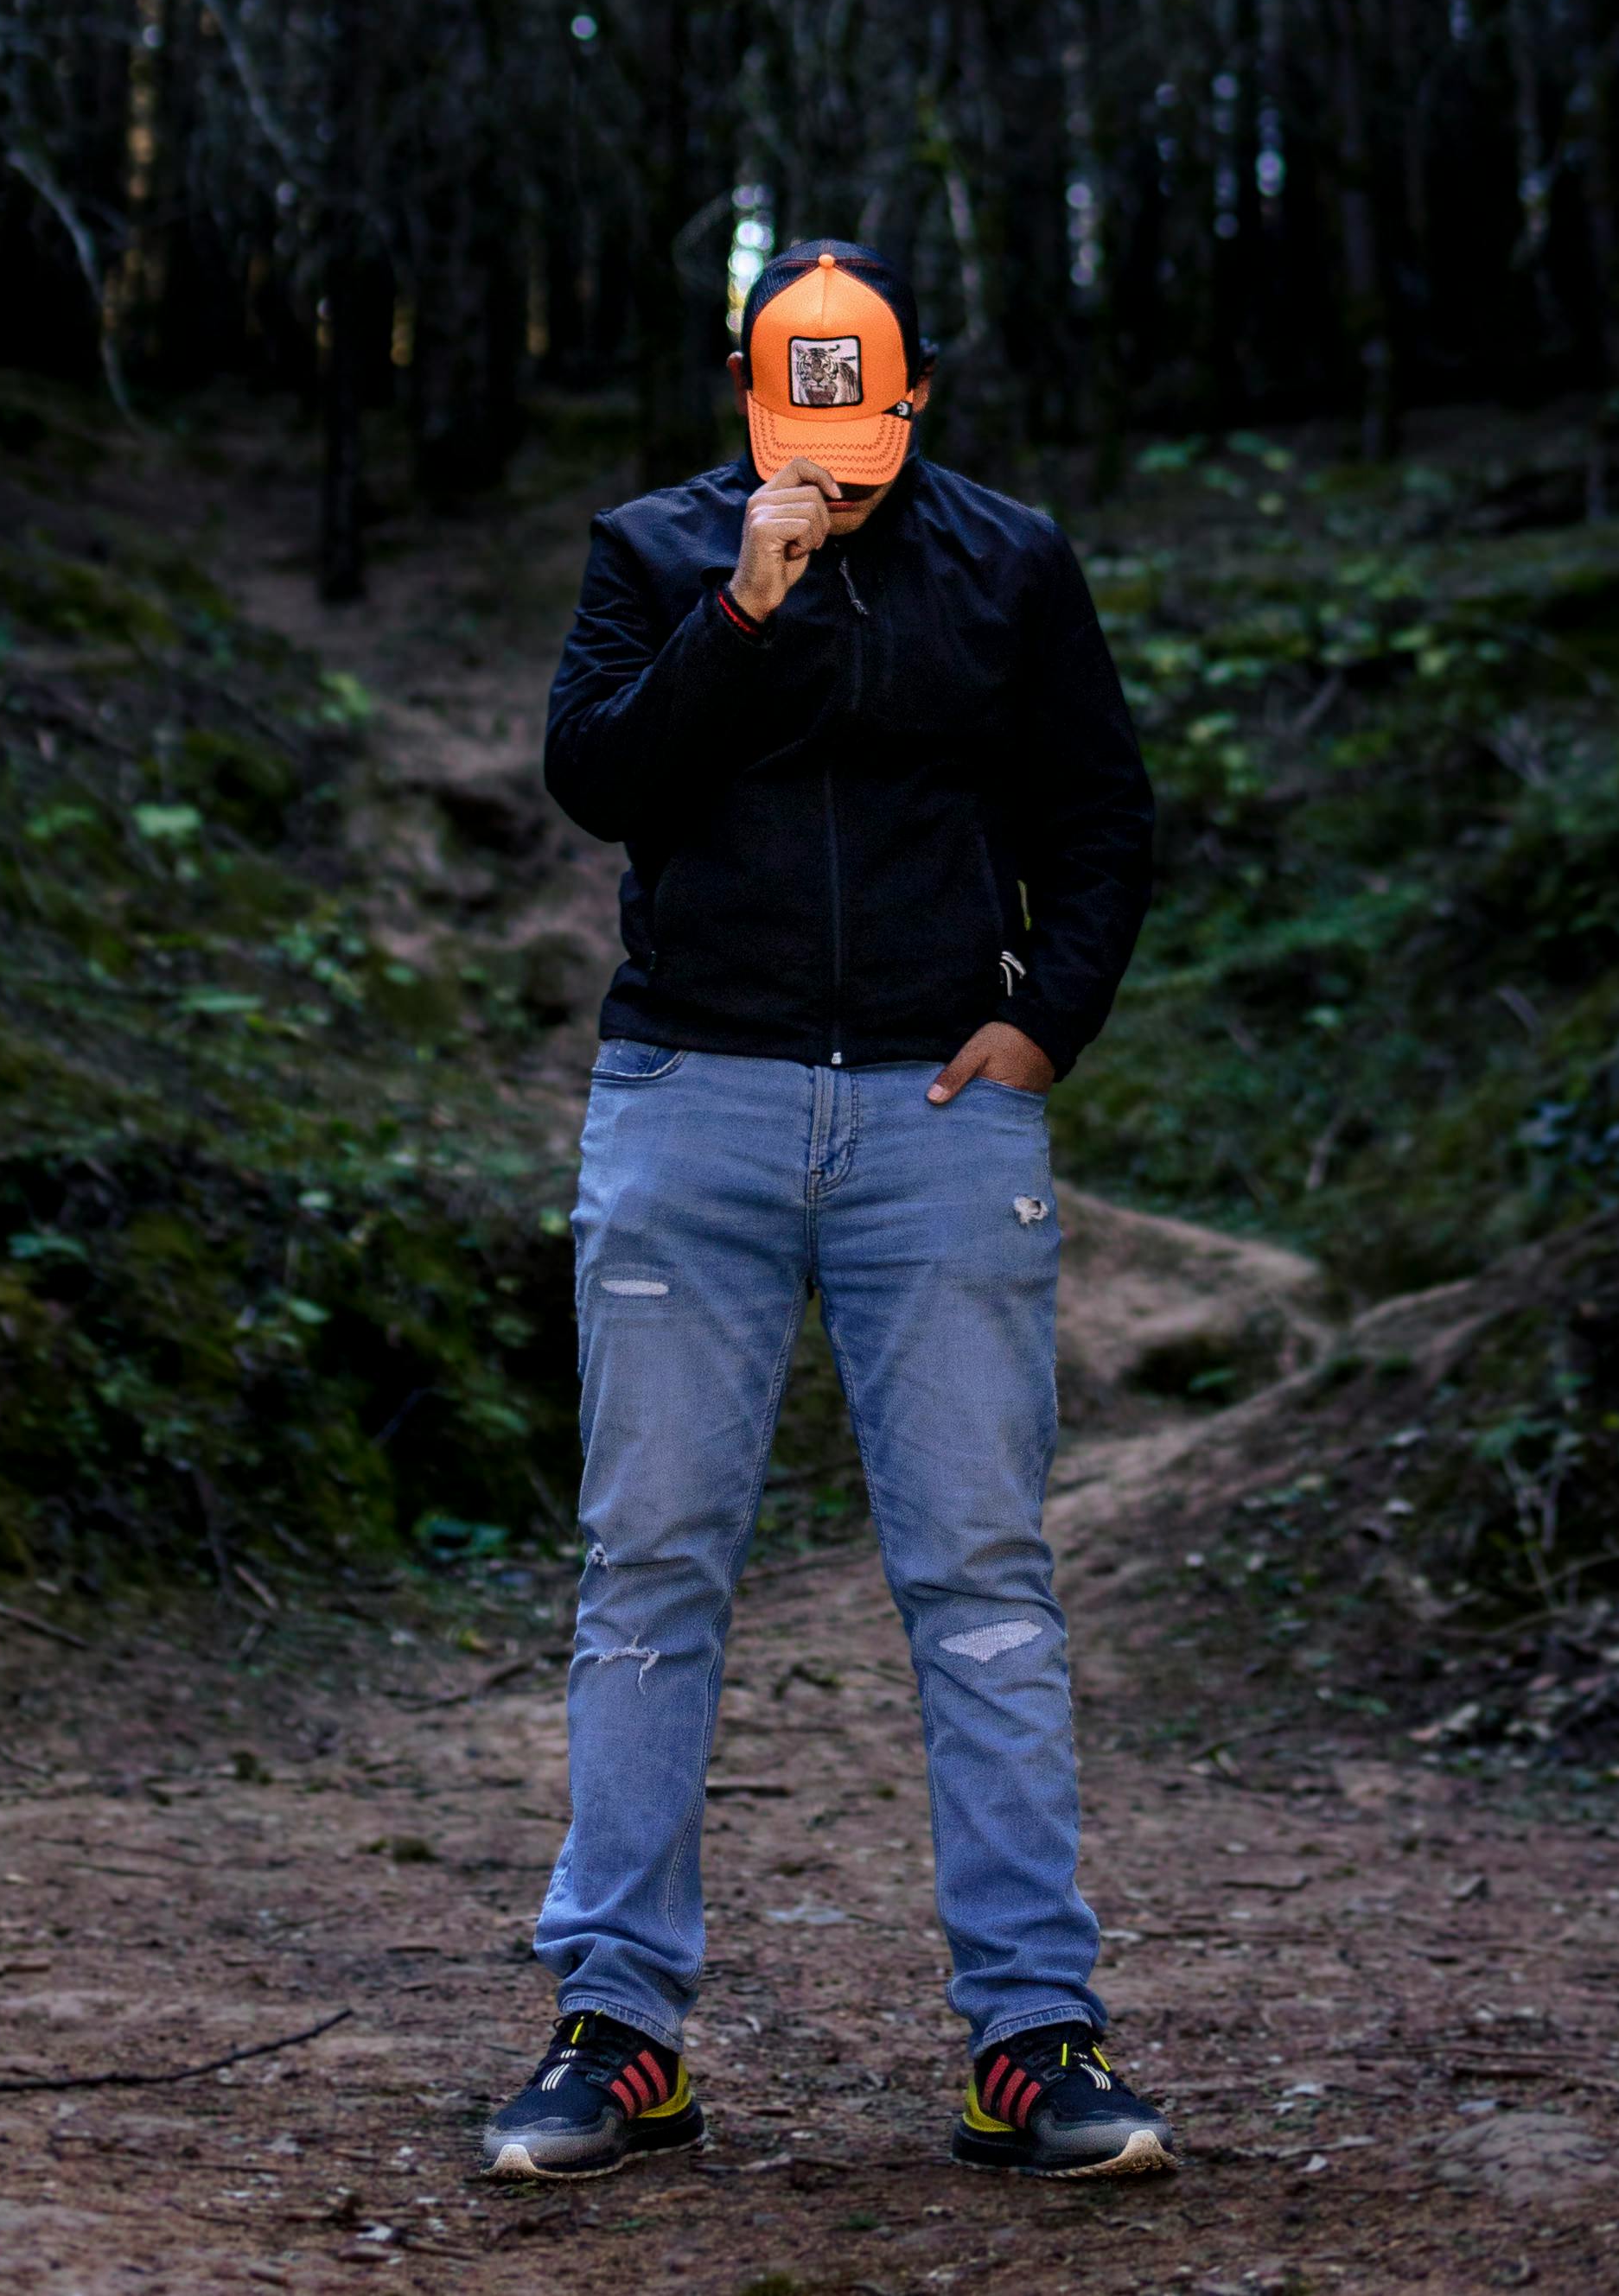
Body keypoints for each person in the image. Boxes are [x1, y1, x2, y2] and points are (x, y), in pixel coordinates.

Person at [478, 239, 1170, 2185]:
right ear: (745, 391)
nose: (832, 440)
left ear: (918, 395)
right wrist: (743, 613)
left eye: (863, 401)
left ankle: (1031, 2040)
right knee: (649, 1573)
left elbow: (1101, 823)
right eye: (798, 400)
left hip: (937, 1129)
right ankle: (620, 2034)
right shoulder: (655, 551)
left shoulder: (1009, 560)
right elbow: (600, 779)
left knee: (982, 1584)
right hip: (690, 1098)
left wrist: (1041, 1030)